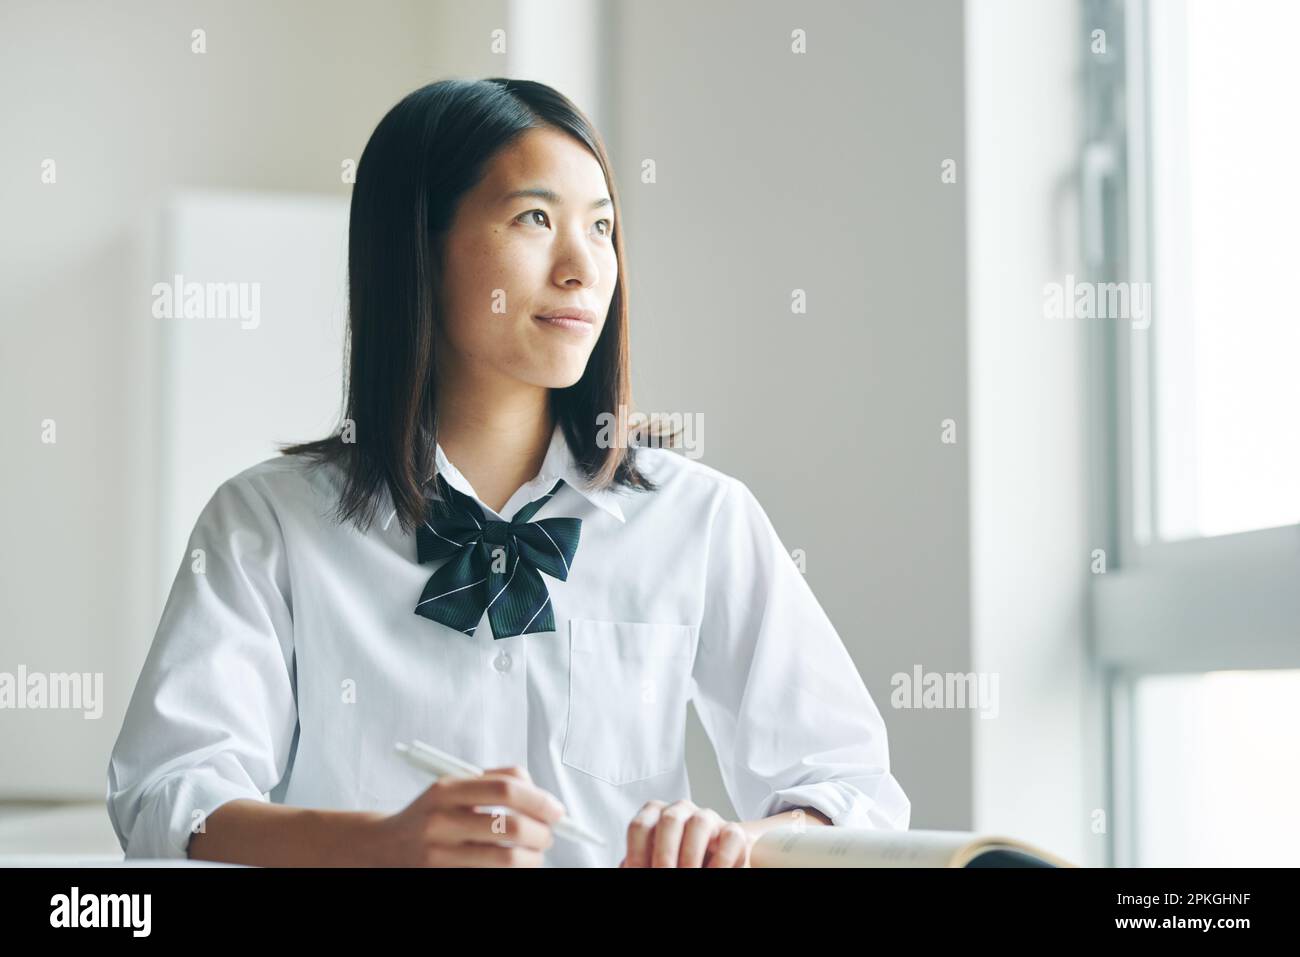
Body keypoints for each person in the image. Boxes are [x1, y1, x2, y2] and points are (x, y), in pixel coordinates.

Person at [106, 77, 909, 868]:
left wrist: (727, 846)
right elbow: (168, 791)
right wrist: (378, 846)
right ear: (419, 245)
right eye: (535, 218)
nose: (583, 269)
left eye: (602, 228)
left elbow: (848, 781)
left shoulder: (701, 518)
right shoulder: (266, 523)